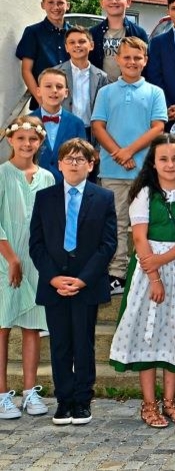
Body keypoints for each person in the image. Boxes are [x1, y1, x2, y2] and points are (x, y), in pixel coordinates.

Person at [108, 134, 175, 428]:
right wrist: (154, 275)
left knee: (173, 333)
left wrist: (166, 259)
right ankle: (149, 403)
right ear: (153, 162)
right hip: (149, 271)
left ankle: (170, 401)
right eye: (164, 159)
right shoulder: (145, 192)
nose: (170, 164)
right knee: (148, 335)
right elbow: (138, 237)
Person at [29, 138, 117, 426]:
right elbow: (37, 243)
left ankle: (82, 400)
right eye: (69, 158)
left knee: (83, 342)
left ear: (91, 165)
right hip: (55, 282)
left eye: (81, 159)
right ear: (59, 164)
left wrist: (82, 280)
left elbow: (107, 245)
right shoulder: (45, 197)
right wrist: (53, 277)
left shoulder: (103, 197)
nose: (75, 163)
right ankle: (64, 400)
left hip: (85, 284)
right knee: (60, 345)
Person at [91, 37, 168, 296]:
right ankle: (117, 272)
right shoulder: (106, 92)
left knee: (145, 222)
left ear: (145, 61)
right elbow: (98, 126)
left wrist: (130, 151)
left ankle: (143, 270)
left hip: (145, 170)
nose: (132, 62)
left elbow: (158, 127)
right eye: (127, 57)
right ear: (117, 60)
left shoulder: (155, 92)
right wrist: (118, 154)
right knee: (116, 221)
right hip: (113, 170)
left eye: (137, 58)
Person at [0, 117, 55, 419]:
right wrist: (11, 258)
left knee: (32, 326)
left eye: (32, 140)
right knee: (2, 326)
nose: (26, 144)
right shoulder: (2, 175)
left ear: (39, 143)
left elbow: (50, 222)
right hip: (4, 260)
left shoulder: (47, 177)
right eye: (20, 138)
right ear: (10, 140)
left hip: (37, 262)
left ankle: (30, 391)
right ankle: (1, 394)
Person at [17, 0, 70, 109]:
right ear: (42, 5)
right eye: (50, 2)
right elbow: (26, 70)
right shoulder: (33, 32)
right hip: (43, 103)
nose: (55, 7)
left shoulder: (74, 35)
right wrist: (41, 101)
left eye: (60, 2)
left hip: (70, 103)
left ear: (67, 5)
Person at [29, 68, 87, 178]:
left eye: (59, 87)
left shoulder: (76, 123)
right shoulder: (27, 121)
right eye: (48, 86)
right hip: (33, 183)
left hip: (64, 184)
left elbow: (81, 159)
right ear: (38, 91)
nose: (54, 90)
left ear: (66, 93)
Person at [87, 0, 149, 80]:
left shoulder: (138, 33)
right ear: (102, 2)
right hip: (101, 91)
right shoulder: (93, 34)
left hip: (129, 89)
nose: (113, 1)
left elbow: (146, 67)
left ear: (128, 2)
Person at [57, 26, 110, 136]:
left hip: (89, 132)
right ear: (66, 47)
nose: (77, 45)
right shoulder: (55, 73)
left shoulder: (101, 77)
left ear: (91, 45)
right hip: (62, 131)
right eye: (72, 42)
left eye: (82, 41)